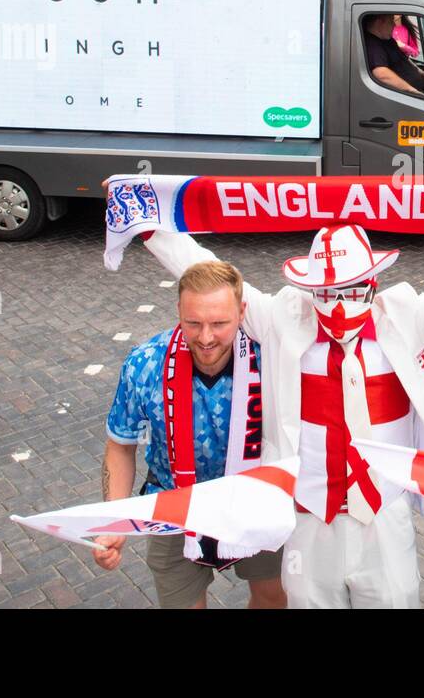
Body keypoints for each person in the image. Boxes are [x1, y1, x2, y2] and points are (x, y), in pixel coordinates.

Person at [140, 204, 424, 609]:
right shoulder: (281, 319)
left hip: (385, 516)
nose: (339, 301)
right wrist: (146, 225)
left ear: (373, 282)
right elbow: (209, 276)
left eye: (350, 288)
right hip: (309, 518)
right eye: (327, 290)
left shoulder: (408, 316)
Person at [94, 260, 287, 609]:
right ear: (178, 310)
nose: (206, 337)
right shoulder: (145, 364)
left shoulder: (271, 359)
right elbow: (121, 447)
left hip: (254, 500)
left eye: (219, 323)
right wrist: (114, 521)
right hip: (174, 504)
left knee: (273, 596)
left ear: (242, 311)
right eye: (193, 322)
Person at [363, 13, 424, 96]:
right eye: (391, 21)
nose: (394, 25)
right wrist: (413, 91)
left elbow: (404, 59)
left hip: (421, 88)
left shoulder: (388, 39)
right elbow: (381, 73)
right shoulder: (372, 45)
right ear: (379, 22)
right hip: (409, 97)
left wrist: (420, 72)